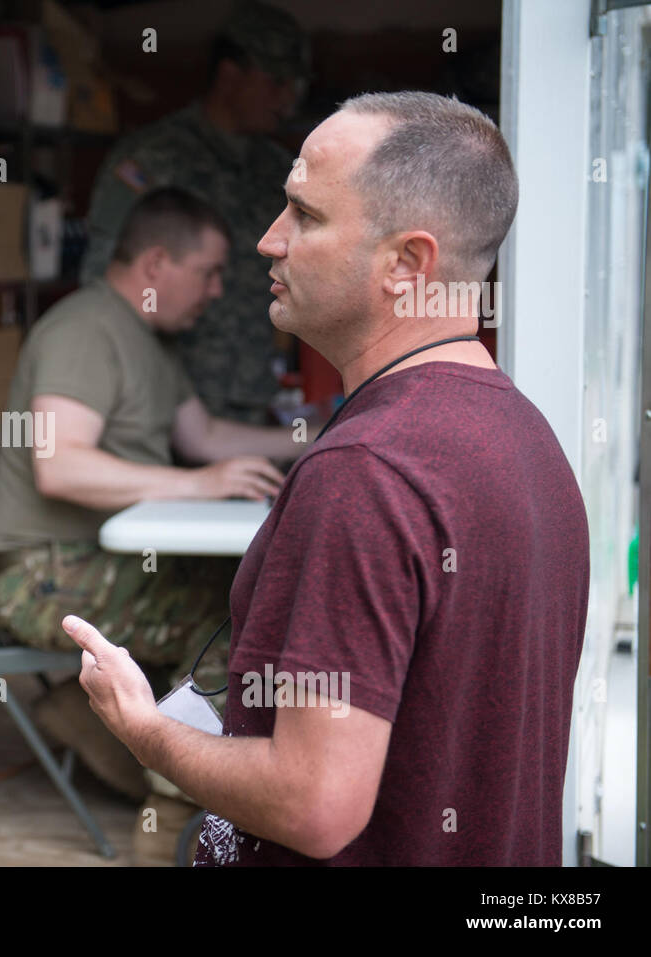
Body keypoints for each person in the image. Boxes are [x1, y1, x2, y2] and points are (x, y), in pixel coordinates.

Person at [63, 91, 590, 866]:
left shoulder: (369, 471)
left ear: (409, 264)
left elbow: (312, 804)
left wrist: (145, 727)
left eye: (305, 216)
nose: (268, 241)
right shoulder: (528, 437)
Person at [0, 187, 302, 811]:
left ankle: (122, 740)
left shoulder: (146, 335)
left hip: (88, 563)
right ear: (156, 265)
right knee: (235, 615)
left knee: (242, 595)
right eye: (207, 273)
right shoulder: (86, 328)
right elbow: (60, 465)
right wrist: (198, 484)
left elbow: (202, 435)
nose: (215, 291)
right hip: (44, 573)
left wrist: (313, 434)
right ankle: (178, 808)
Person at [81, 1, 308, 426]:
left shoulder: (282, 169)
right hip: (165, 406)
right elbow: (104, 281)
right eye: (275, 80)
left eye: (295, 84)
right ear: (229, 73)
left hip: (250, 396)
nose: (288, 98)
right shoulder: (156, 157)